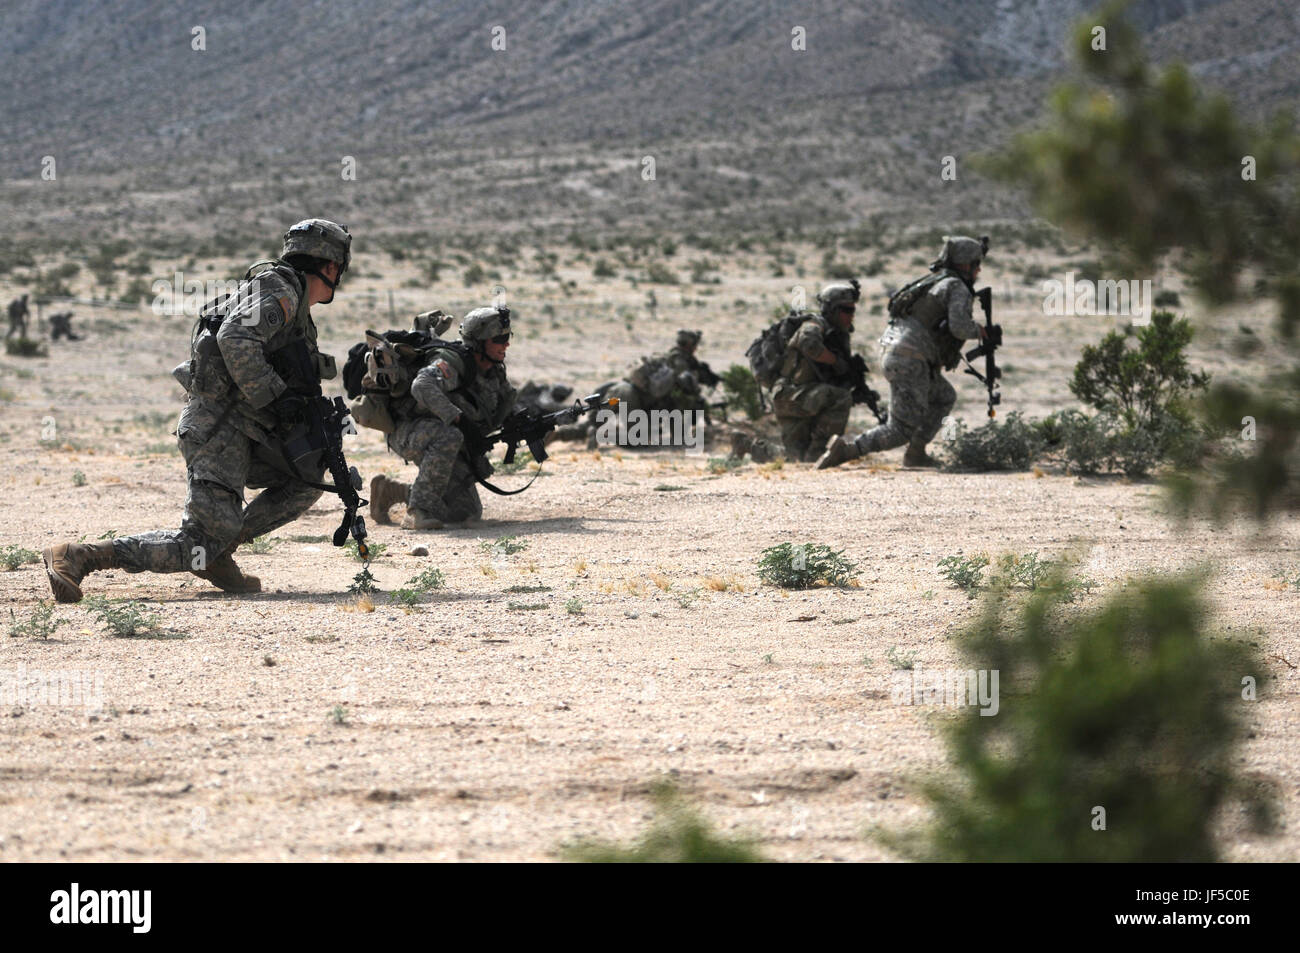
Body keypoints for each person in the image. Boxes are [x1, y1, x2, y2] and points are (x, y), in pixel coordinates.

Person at [43, 219, 353, 601]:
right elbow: (235, 337)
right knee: (196, 543)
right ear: (331, 267)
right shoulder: (282, 295)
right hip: (218, 431)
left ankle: (219, 551)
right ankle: (81, 556)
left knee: (308, 476)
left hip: (248, 431)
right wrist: (277, 397)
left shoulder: (290, 301)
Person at [818, 235, 988, 469]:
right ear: (966, 264)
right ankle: (846, 450)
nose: (979, 270)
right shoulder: (956, 286)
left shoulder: (935, 281)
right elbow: (959, 327)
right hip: (910, 359)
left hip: (898, 353)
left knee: (943, 396)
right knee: (900, 430)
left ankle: (916, 453)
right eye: (977, 264)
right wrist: (980, 331)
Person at [367, 306, 518, 529]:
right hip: (407, 430)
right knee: (450, 435)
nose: (506, 344)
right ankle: (417, 513)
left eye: (507, 337)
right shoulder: (451, 363)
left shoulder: (493, 370)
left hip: (443, 437)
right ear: (479, 341)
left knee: (465, 512)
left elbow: (500, 407)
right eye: (499, 339)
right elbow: (422, 386)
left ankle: (391, 491)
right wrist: (459, 419)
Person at [770, 282, 859, 462]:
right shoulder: (814, 325)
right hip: (793, 395)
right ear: (832, 309)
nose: (851, 316)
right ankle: (820, 453)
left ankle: (749, 446)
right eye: (846, 310)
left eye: (853, 310)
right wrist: (835, 362)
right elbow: (809, 345)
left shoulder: (838, 335)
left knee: (793, 457)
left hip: (803, 398)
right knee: (842, 397)